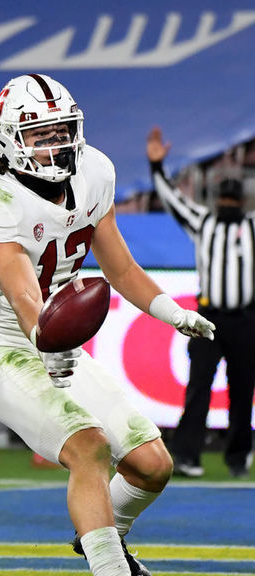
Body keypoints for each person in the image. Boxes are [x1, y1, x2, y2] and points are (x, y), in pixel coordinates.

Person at [0, 73, 215, 576]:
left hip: (60, 345)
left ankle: (104, 542)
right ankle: (111, 569)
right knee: (89, 446)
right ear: (11, 141)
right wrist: (48, 339)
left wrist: (172, 312)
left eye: (61, 131)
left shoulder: (94, 171)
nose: (55, 146)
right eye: (40, 135)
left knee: (152, 464)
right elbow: (24, 295)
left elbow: (119, 267)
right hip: (1, 347)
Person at [147, 126, 255, 479]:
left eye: (229, 202)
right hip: (208, 317)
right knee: (199, 387)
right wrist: (157, 168)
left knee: (242, 391)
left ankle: (238, 456)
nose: (225, 207)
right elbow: (174, 201)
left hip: (244, 319)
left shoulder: (242, 225)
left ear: (238, 203)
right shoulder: (204, 221)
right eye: (224, 202)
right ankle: (188, 455)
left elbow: (174, 201)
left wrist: (159, 170)